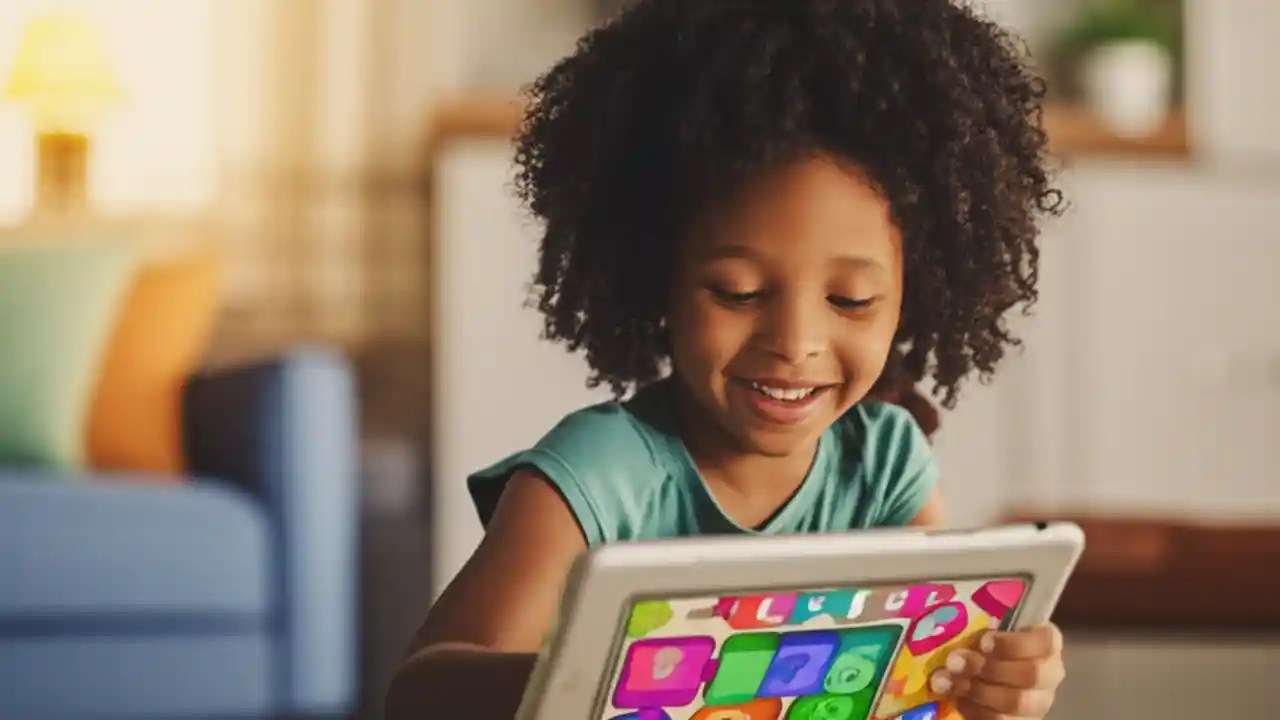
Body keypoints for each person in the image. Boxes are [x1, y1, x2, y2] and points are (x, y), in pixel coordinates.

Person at [387, 0, 1066, 717]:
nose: (794, 343)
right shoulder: (602, 475)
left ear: (914, 296)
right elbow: (418, 692)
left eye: (852, 299)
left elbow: (922, 689)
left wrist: (998, 686)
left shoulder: (886, 467)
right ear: (656, 275)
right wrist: (599, 680)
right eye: (738, 292)